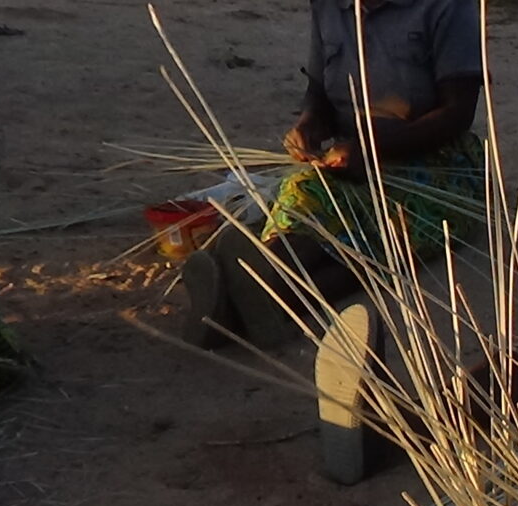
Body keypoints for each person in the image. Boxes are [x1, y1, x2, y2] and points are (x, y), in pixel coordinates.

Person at [180, 0, 485, 350]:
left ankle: (249, 299)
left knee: (380, 237)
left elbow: (458, 113)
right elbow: (319, 91)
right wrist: (309, 123)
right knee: (308, 196)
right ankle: (264, 291)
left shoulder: (447, 7)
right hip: (345, 158)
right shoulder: (327, 5)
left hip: (434, 164)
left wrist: (373, 147)